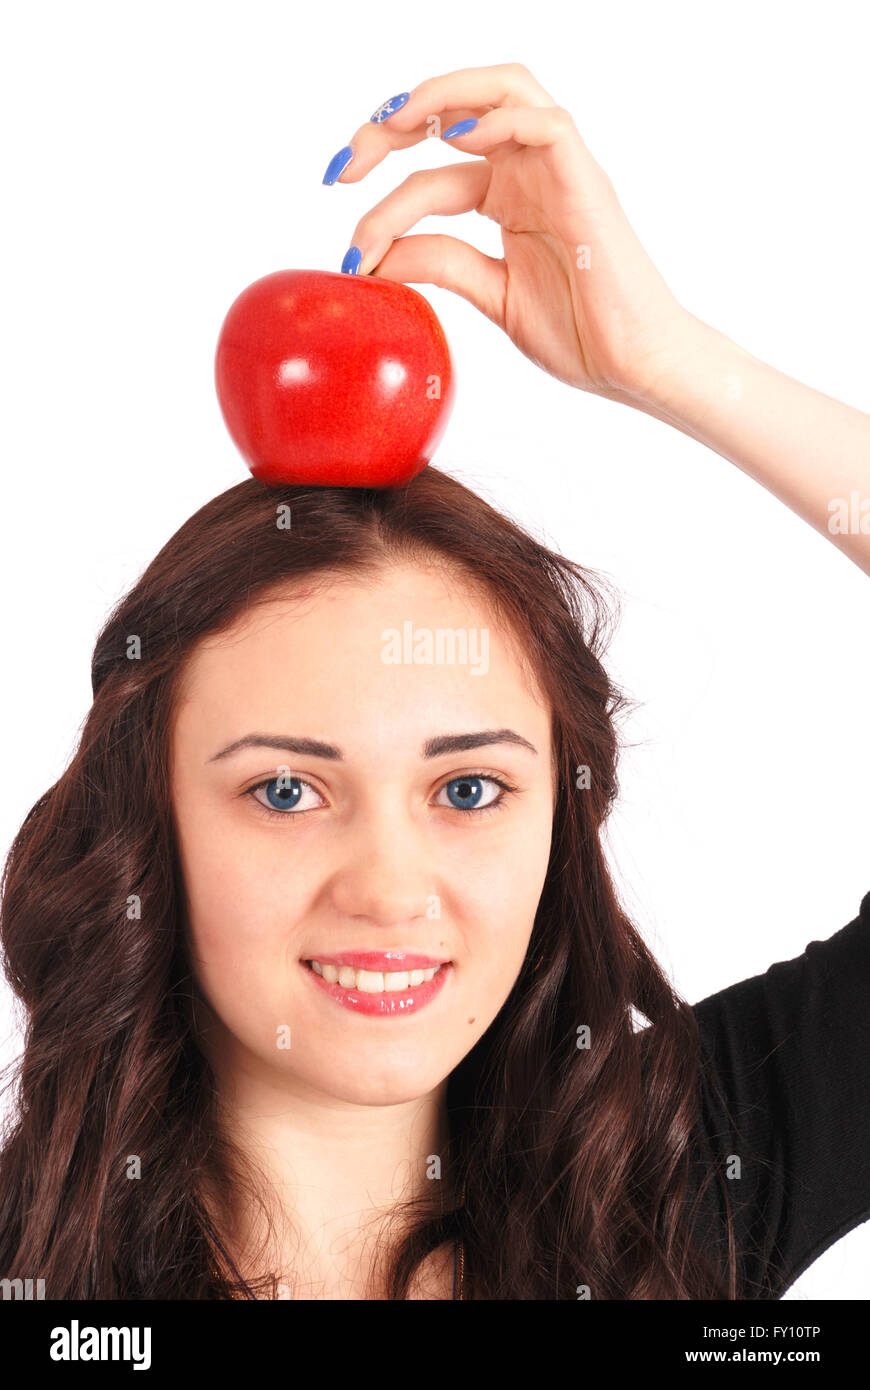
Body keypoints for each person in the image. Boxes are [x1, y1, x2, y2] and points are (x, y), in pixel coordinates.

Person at [0, 62, 867, 1300]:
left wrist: (667, 361)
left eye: (467, 790)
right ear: (148, 823)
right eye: (287, 790)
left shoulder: (680, 1184)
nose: (393, 891)